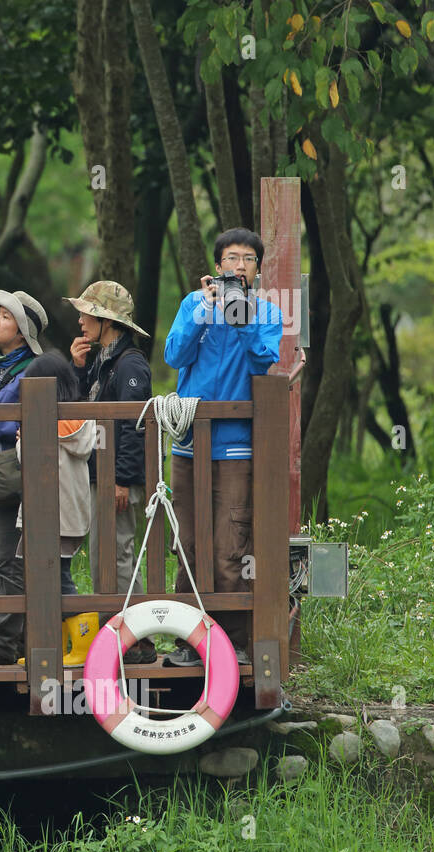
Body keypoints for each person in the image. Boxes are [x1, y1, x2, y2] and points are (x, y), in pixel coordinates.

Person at [163, 227, 283, 667]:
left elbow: (262, 360)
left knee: (229, 545)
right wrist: (205, 310)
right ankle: (187, 641)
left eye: (248, 259)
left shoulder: (267, 312)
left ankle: (229, 643)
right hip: (189, 445)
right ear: (216, 267)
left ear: (257, 270)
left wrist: (243, 316)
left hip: (234, 449)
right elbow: (174, 357)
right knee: (188, 544)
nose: (238, 266)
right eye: (231, 258)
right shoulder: (193, 305)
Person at [67, 280, 155, 663]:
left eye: (88, 313)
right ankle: (115, 638)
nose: (81, 320)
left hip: (116, 478)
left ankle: (136, 642)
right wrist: (79, 368)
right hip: (101, 476)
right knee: (105, 557)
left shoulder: (130, 364)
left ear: (106, 320)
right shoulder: (104, 361)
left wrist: (121, 478)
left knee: (118, 555)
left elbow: (133, 427)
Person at [7, 352, 97, 657]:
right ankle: (56, 646)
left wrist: (22, 440)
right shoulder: (80, 419)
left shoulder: (43, 424)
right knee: (56, 575)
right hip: (69, 514)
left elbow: (28, 461)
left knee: (56, 580)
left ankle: (82, 645)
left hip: (50, 515)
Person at [0, 289, 46, 665]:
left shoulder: (33, 370)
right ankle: (17, 635)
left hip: (13, 472)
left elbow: (2, 421)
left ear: (22, 332)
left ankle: (4, 640)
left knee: (7, 558)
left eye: (5, 317)